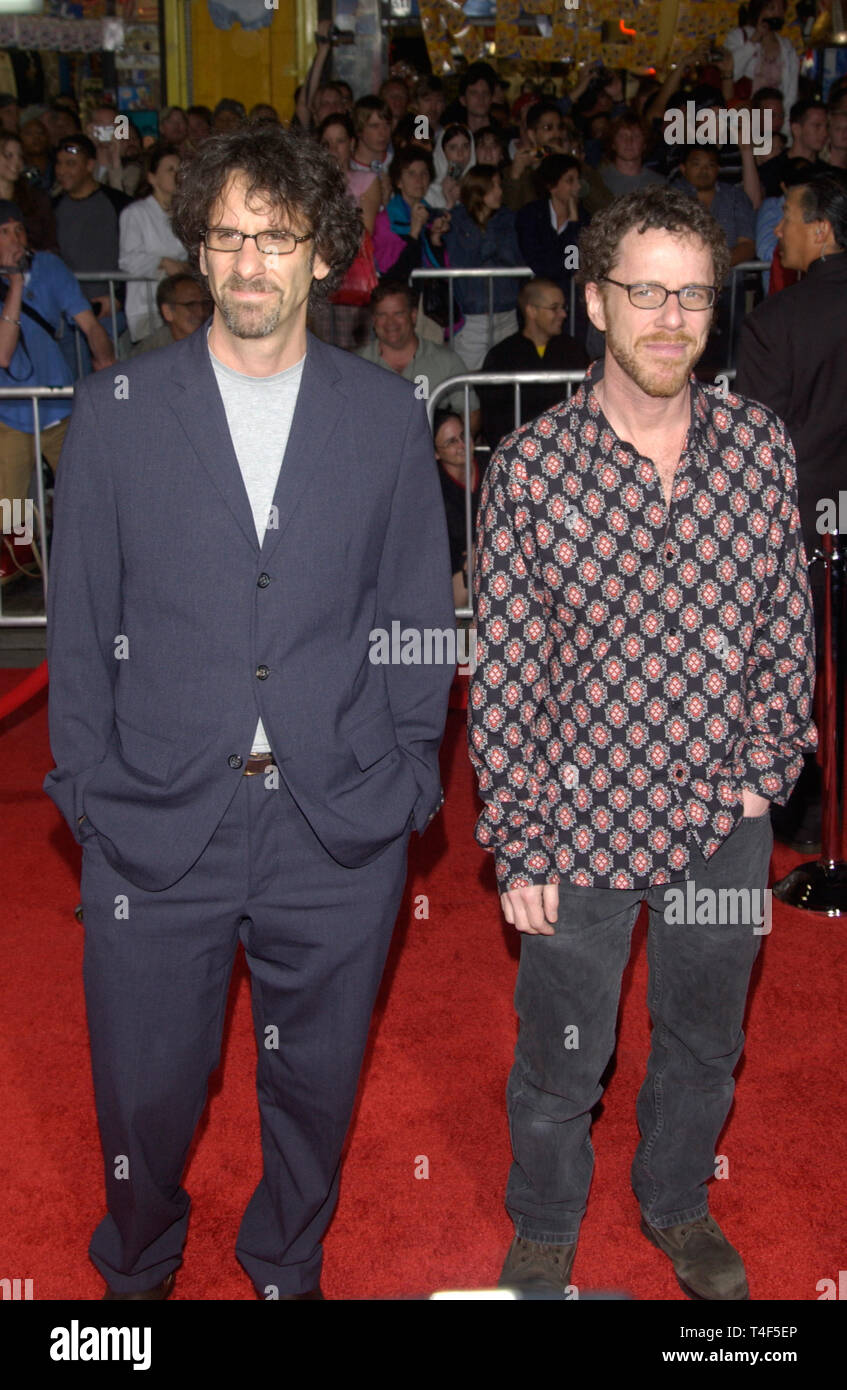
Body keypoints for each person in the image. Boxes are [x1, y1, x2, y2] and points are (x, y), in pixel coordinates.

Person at [44, 123, 455, 1302]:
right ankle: (137, 1261)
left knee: (318, 1084)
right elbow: (79, 627)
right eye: (227, 237)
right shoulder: (116, 409)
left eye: (274, 238)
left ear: (321, 252)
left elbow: (414, 615)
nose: (249, 264)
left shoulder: (383, 416)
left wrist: (411, 776)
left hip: (336, 823)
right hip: (156, 816)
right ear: (200, 250)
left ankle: (285, 1260)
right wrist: (86, 791)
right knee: (144, 1085)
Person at [468, 184, 815, 1301]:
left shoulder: (758, 448)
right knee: (561, 1057)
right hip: (577, 828)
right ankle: (545, 1219)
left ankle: (674, 1199)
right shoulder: (531, 471)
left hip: (723, 819)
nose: (670, 318)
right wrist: (517, 842)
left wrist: (760, 784)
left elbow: (785, 630)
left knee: (704, 1041)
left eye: (693, 295)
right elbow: (508, 673)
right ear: (597, 303)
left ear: (715, 307)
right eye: (645, 292)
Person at [735, 168, 847, 851]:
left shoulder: (775, 320)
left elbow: (759, 445)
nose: (776, 229)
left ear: (823, 230)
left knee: (798, 677)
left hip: (803, 533)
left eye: (789, 217)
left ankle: (808, 820)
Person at [0, 201, 114, 580]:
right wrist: (15, 282)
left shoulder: (49, 268)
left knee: (79, 493)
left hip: (59, 406)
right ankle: (22, 565)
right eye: (4, 232)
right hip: (10, 413)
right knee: (11, 504)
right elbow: (4, 352)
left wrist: (104, 365)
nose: (15, 238)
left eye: (19, 229)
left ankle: (87, 567)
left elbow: (89, 324)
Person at [478, 276, 589, 450]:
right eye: (554, 308)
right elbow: (494, 420)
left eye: (563, 307)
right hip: (518, 458)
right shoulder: (501, 356)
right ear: (531, 311)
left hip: (569, 454)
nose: (563, 314)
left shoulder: (574, 351)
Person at [52, 132, 131, 369]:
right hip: (65, 316)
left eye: (71, 163)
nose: (62, 170)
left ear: (89, 166)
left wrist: (119, 298)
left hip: (108, 315)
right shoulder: (51, 208)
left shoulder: (118, 204)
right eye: (58, 163)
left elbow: (134, 255)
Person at [356, 280, 480, 429]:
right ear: (374, 320)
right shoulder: (356, 364)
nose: (390, 322)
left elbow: (471, 412)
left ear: (413, 316)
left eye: (398, 313)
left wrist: (452, 449)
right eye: (382, 315)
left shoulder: (446, 361)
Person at [444, 163, 522, 369]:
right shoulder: (457, 220)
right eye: (492, 186)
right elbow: (462, 262)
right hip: (473, 316)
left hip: (506, 311)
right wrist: (490, 249)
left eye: (499, 185)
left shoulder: (507, 218)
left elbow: (513, 258)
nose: (499, 191)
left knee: (508, 376)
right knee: (469, 378)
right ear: (477, 189)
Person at [118, 143, 189, 344]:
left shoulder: (185, 214)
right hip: (147, 308)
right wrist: (163, 262)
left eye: (179, 169)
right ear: (151, 177)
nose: (176, 175)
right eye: (169, 170)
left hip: (182, 308)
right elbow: (128, 260)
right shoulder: (136, 214)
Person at [724, 0, 799, 131]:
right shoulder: (739, 37)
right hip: (743, 117)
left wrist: (784, 125)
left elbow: (790, 92)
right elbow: (730, 72)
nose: (777, 13)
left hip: (773, 121)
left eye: (781, 9)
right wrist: (754, 41)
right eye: (771, 8)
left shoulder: (787, 47)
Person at [433, 408, 481, 608]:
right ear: (435, 453)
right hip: (458, 570)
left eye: (464, 435)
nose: (463, 445)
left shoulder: (493, 467)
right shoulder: (433, 489)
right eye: (451, 441)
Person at [129, 272, 212, 355]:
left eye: (205, 304)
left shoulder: (213, 343)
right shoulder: (150, 353)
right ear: (168, 312)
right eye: (191, 305)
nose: (201, 312)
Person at [0, 129, 56, 250]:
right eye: (8, 156)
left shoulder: (36, 199)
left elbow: (50, 243)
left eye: (20, 156)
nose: (16, 162)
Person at [599, 112, 667, 196]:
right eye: (622, 136)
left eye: (636, 136)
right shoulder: (600, 181)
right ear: (613, 143)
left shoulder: (659, 184)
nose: (629, 142)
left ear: (645, 143)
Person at [427, 123, 476, 210]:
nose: (460, 153)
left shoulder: (478, 186)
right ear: (442, 152)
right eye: (453, 148)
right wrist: (449, 201)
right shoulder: (430, 190)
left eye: (465, 146)